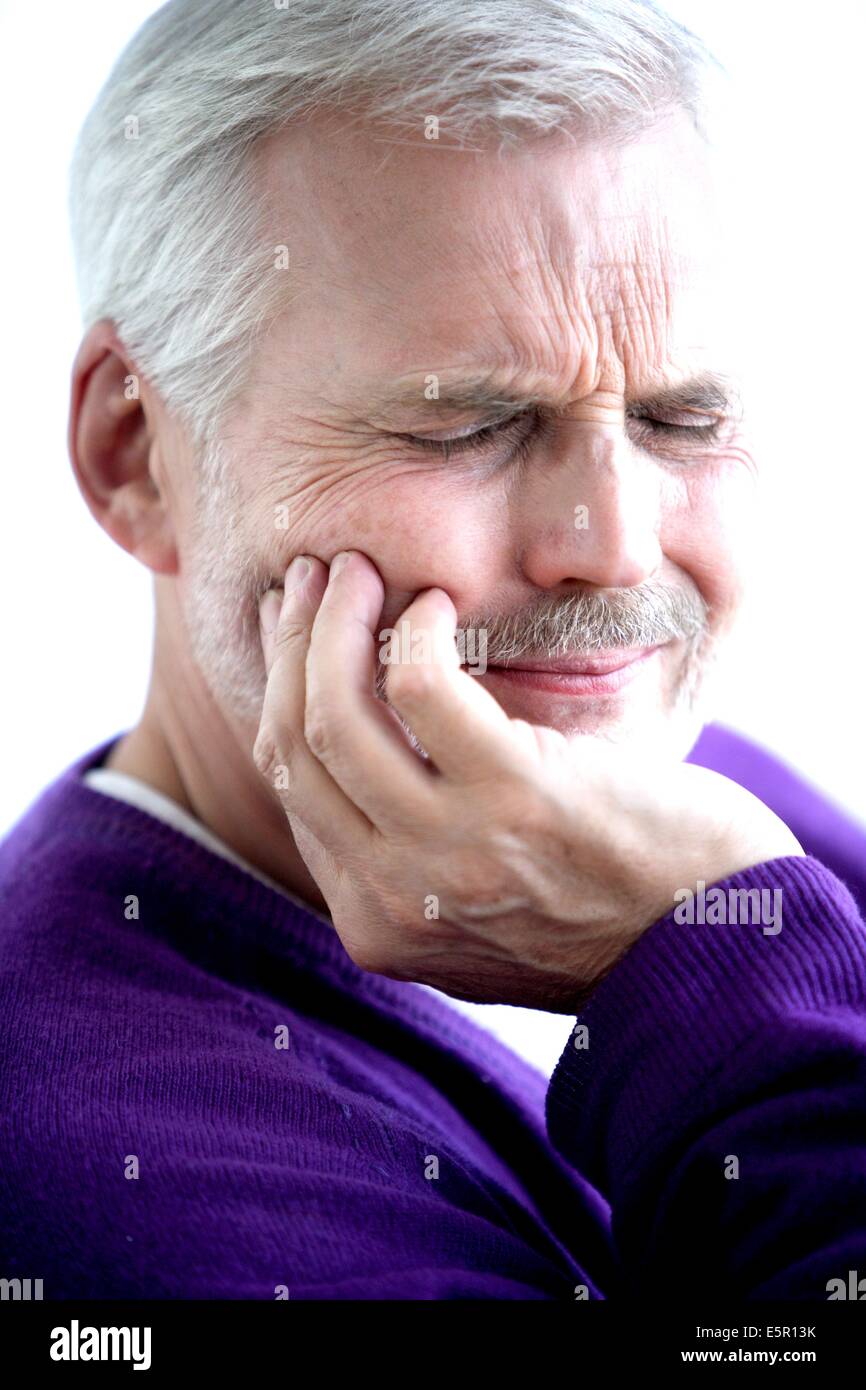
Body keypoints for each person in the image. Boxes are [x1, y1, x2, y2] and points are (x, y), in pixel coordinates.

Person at [1, 0, 864, 1300]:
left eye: (683, 416)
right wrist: (728, 968)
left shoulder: (681, 795)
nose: (614, 549)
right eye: (467, 426)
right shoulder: (118, 1201)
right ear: (135, 455)